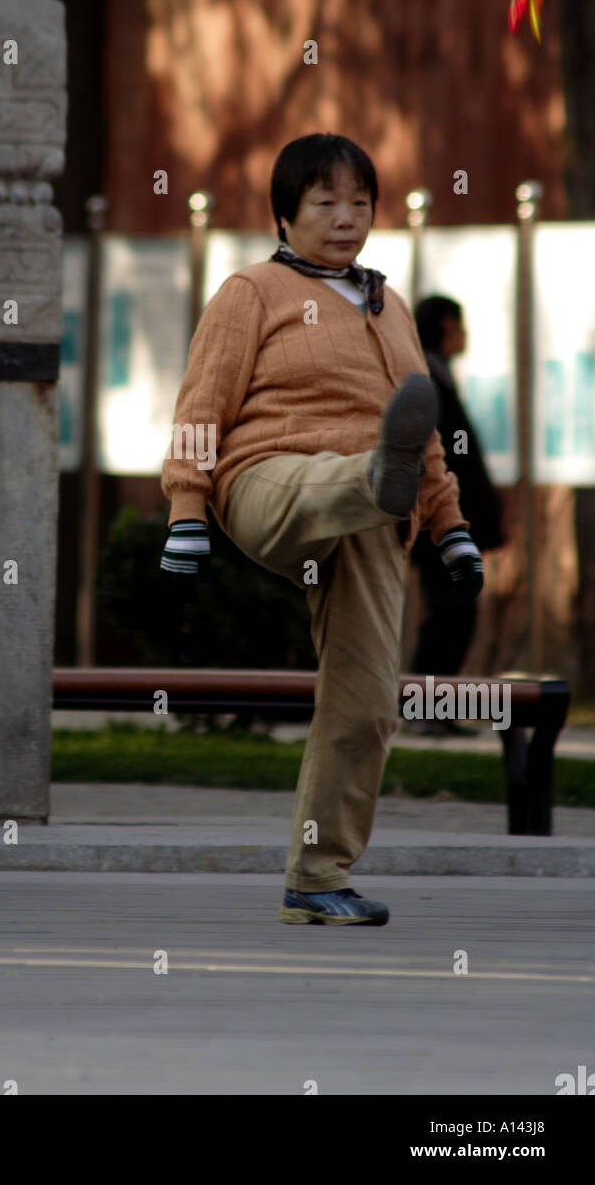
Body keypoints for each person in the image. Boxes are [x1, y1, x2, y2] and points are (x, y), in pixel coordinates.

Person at [158, 133, 483, 928]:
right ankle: (372, 477)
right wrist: (185, 510)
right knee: (334, 478)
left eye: (360, 203)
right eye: (326, 203)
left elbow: (426, 440)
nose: (346, 218)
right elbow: (201, 404)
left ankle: (316, 878)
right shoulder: (251, 291)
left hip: (379, 512)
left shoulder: (390, 305)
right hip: (270, 479)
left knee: (368, 699)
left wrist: (450, 528)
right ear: (285, 214)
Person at [406, 296, 507, 736]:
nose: (465, 335)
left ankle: (433, 710)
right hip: (440, 526)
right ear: (447, 326)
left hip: (450, 525)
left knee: (454, 613)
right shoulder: (428, 380)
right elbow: (439, 458)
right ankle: (423, 710)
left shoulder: (438, 378)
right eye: (461, 325)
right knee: (449, 615)